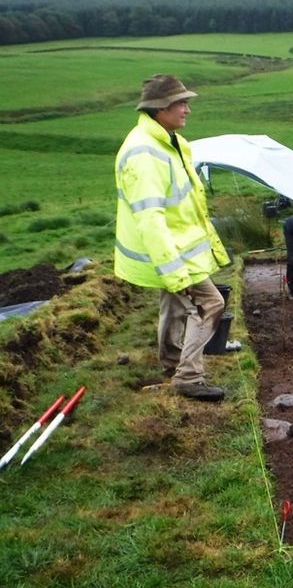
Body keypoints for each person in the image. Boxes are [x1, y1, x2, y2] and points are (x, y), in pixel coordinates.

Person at [114, 74, 231, 402]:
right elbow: (150, 219)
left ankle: (170, 360)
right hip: (169, 252)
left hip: (175, 248)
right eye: (181, 103)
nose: (187, 109)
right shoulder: (144, 154)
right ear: (158, 108)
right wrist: (174, 271)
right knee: (211, 304)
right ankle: (189, 377)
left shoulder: (168, 142)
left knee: (174, 304)